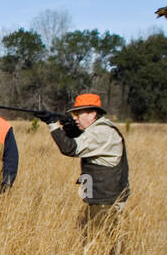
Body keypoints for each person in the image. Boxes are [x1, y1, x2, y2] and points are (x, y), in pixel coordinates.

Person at [44, 92, 129, 228]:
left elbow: (70, 148)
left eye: (78, 114)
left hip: (105, 202)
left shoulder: (101, 132)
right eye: (74, 115)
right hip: (103, 199)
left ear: (92, 114)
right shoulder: (100, 129)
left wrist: (52, 125)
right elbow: (81, 139)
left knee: (102, 243)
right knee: (103, 241)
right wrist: (68, 127)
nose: (75, 118)